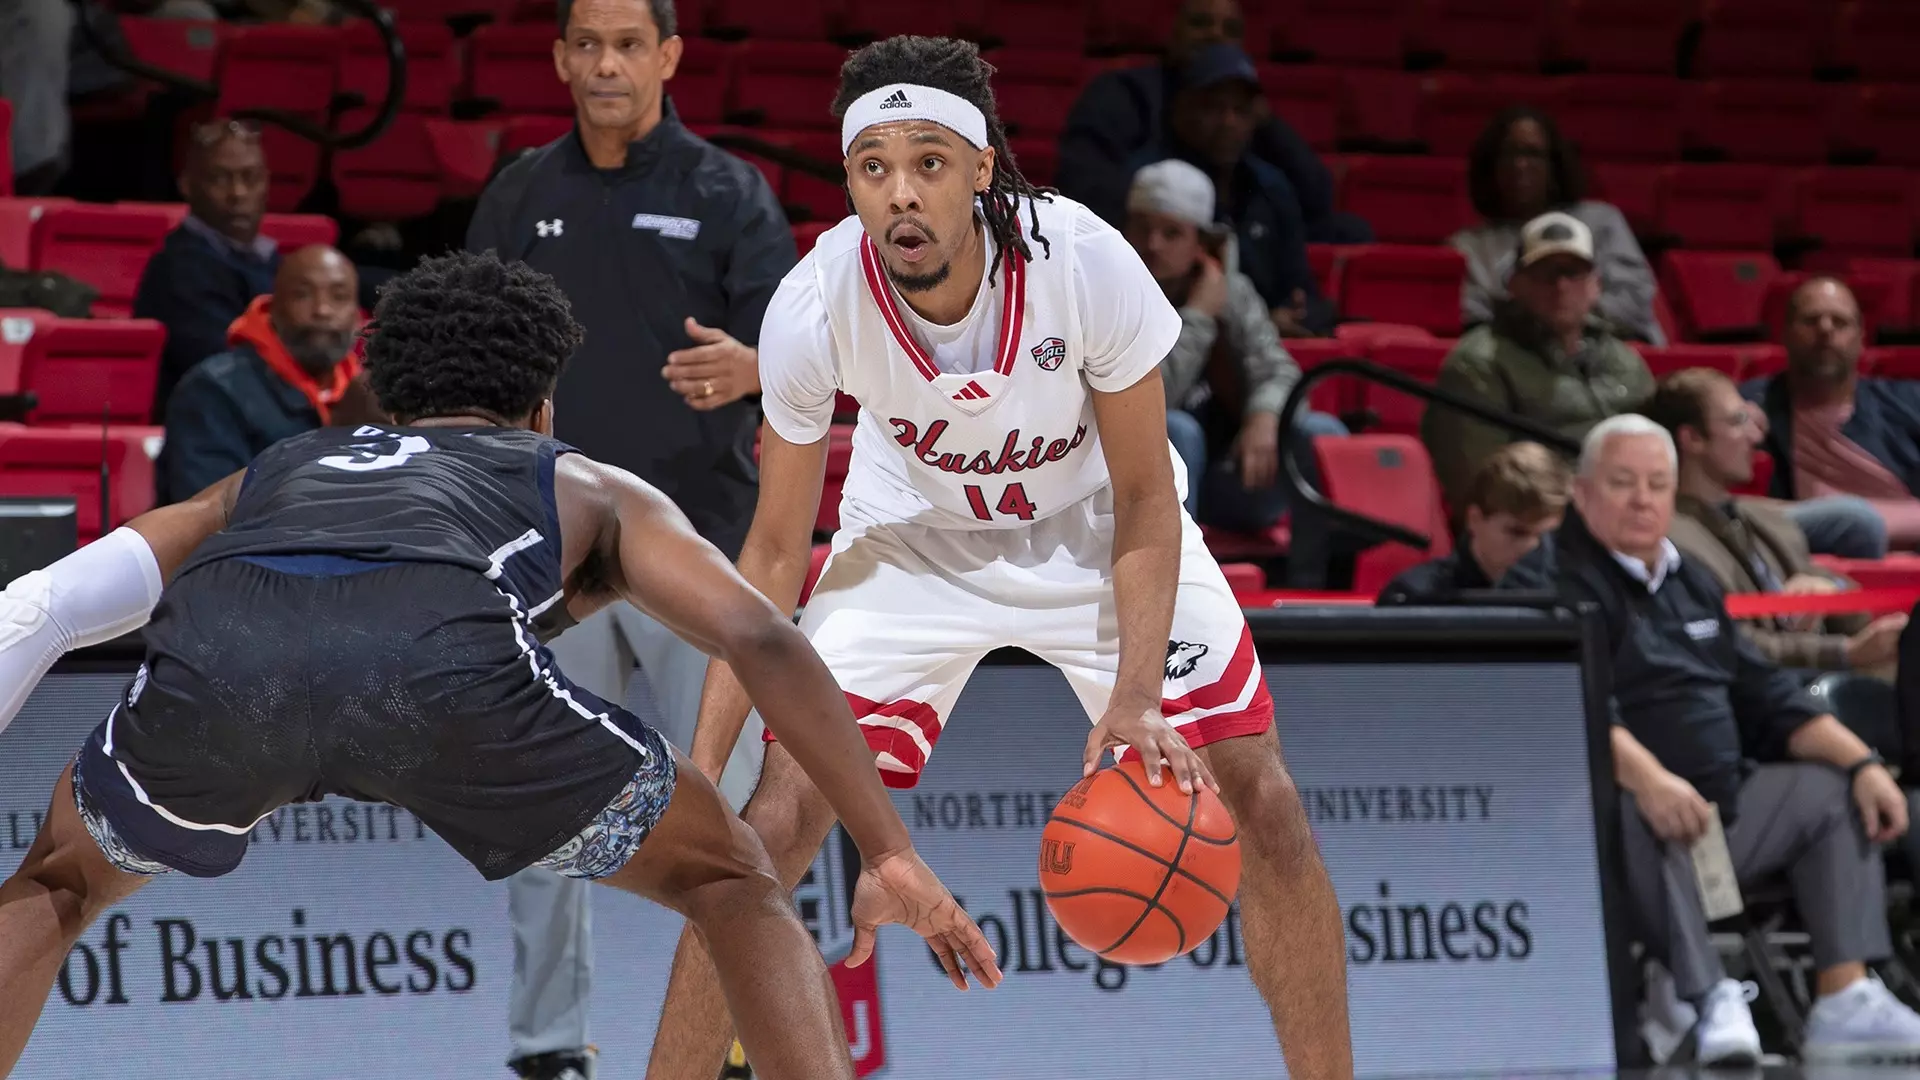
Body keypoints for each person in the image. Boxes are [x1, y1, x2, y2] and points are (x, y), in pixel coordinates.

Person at [0, 251, 1001, 1080]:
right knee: (732, 875)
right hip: (440, 671)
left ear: (390, 397)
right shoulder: (575, 478)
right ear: (542, 407)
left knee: (58, 879)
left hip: (227, 661)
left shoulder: (284, 465)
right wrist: (887, 851)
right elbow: (765, 638)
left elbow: (52, 603)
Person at [644, 36, 1352, 1080]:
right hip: (913, 543)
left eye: (929, 161)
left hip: (1100, 526)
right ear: (849, 182)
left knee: (1268, 805)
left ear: (982, 168)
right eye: (873, 166)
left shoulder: (1084, 260)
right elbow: (775, 550)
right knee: (764, 827)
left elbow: (1151, 498)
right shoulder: (812, 302)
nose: (901, 194)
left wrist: (1136, 696)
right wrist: (707, 766)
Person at [463, 0, 797, 1073]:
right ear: (561, 58)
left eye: (627, 44)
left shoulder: (728, 193)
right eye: (588, 45)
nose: (607, 63)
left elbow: (810, 362)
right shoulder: (521, 191)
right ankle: (551, 1050)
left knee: (740, 808)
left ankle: (742, 1037)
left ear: (669, 57)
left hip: (696, 555)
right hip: (549, 556)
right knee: (540, 805)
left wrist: (754, 368)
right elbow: (464, 363)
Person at [1557, 414, 1920, 1065]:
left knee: (1830, 790)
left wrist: (1864, 763)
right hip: (1617, 828)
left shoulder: (1691, 578)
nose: (1643, 498)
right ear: (1582, 493)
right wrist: (1651, 779)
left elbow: (1767, 694)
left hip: (1725, 817)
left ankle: (1843, 997)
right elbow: (1570, 706)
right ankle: (1706, 995)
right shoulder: (1557, 579)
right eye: (1622, 482)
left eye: (1656, 483)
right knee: (1640, 806)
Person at [1126, 158, 1346, 583]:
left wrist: (1265, 417)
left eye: (1171, 233)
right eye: (1140, 227)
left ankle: (1312, 591)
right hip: (1140, 487)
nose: (1152, 244)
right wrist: (1199, 318)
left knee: (1320, 431)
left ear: (1202, 244)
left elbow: (1280, 372)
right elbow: (1151, 401)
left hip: (1232, 478)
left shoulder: (1234, 293)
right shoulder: (1117, 293)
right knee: (1177, 428)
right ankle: (1175, 588)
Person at [1646, 367, 1903, 676]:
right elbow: (1728, 641)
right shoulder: (1672, 542)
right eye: (1738, 421)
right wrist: (1845, 653)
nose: (1755, 436)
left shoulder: (1762, 518)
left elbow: (1848, 599)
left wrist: (1827, 588)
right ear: (1693, 438)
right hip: (1767, 697)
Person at [1056, 0, 1368, 247]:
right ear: (1173, 29)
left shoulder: (1246, 112)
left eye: (1229, 29)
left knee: (1347, 230)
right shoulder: (1123, 93)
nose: (1215, 35)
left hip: (1231, 238)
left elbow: (1316, 199)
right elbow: (1084, 187)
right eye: (1200, 23)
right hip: (1150, 239)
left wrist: (1265, 122)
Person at [1422, 211, 1653, 508]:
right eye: (1546, 273)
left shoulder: (1624, 359)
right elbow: (1479, 486)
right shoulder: (1479, 363)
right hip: (1543, 529)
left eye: (1574, 273)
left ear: (1596, 285)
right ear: (1515, 283)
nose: (1561, 287)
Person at [155, 244, 379, 504]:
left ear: (357, 317)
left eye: (338, 297)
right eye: (303, 295)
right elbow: (204, 513)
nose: (322, 310)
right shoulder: (213, 390)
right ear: (272, 308)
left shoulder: (372, 397)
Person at [1148, 42, 1330, 337]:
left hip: (1257, 352)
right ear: (1183, 110)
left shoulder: (1272, 189)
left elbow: (1299, 289)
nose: (1228, 122)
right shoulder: (1154, 185)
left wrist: (1294, 313)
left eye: (1240, 110)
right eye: (1214, 108)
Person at [1450, 106, 1664, 345]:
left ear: (1555, 165)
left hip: (1610, 355)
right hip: (1515, 367)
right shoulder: (1468, 246)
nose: (1520, 165)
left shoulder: (1602, 221)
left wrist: (1564, 325)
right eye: (1508, 155)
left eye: (1532, 154)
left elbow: (1634, 301)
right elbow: (1474, 320)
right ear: (1490, 168)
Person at [1746, 276, 1919, 553]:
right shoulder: (1751, 404)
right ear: (1786, 333)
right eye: (1811, 320)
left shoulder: (1909, 401)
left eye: (1840, 322)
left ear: (1861, 338)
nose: (1825, 330)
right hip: (1811, 562)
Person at [135, 120, 281, 421]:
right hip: (211, 432)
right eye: (220, 178)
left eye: (250, 178)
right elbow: (229, 374)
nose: (238, 193)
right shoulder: (180, 268)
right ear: (187, 185)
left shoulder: (274, 262)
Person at [1376, 441, 1565, 603]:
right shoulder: (1413, 597)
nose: (1532, 548)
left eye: (1546, 535)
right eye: (1516, 532)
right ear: (1474, 519)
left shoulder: (1575, 598)